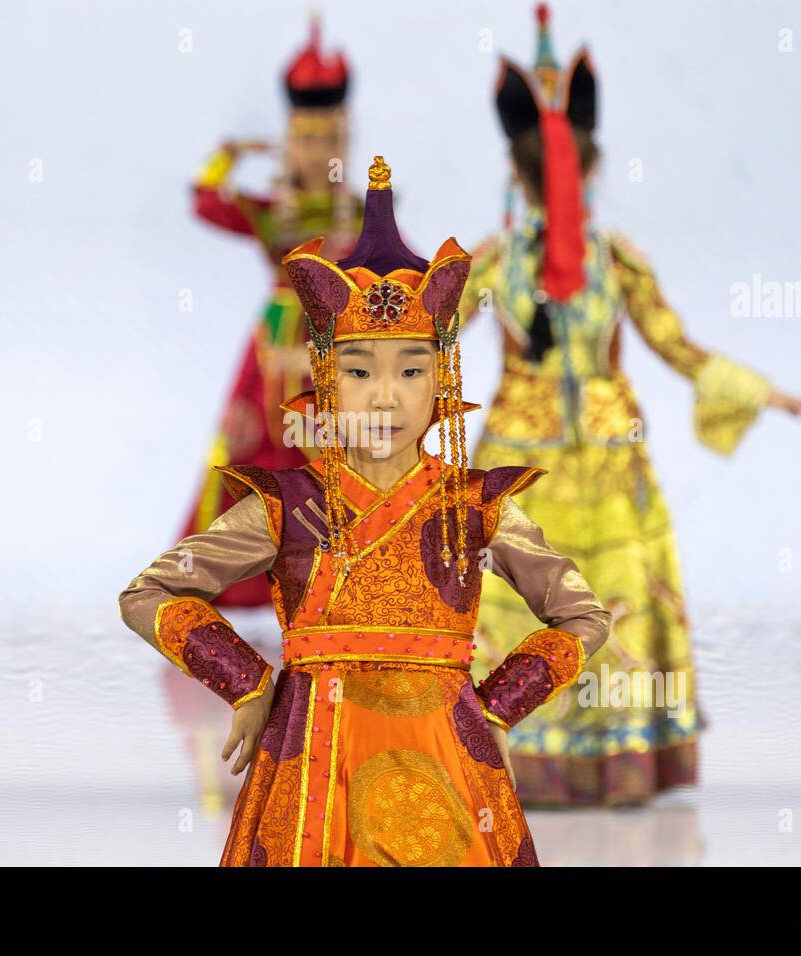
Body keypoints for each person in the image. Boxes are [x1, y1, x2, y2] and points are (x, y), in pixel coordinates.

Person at [119, 157, 612, 866]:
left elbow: (584, 615)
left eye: (411, 370)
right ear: (323, 382)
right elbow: (149, 592)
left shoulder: (475, 508)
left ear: (442, 381)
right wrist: (248, 681)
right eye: (359, 371)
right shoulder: (287, 508)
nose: (385, 396)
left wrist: (499, 706)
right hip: (311, 771)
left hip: (446, 772)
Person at [459, 4, 801, 807]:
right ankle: (555, 759)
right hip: (559, 458)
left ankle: (575, 756)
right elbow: (430, 328)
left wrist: (759, 392)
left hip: (573, 457)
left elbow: (672, 343)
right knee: (551, 593)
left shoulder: (567, 260)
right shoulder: (539, 262)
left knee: (575, 597)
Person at [179, 15, 362, 608]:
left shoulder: (361, 214)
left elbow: (398, 274)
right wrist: (231, 153)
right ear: (289, 141)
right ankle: (231, 579)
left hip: (336, 349)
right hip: (274, 346)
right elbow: (205, 203)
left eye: (331, 137)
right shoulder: (273, 212)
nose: (320, 151)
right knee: (250, 453)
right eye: (306, 138)